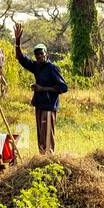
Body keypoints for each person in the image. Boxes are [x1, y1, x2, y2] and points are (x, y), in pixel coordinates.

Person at [13, 23, 68, 154]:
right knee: (40, 135)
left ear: (46, 54)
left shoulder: (52, 68)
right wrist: (17, 41)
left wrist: (42, 88)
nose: (39, 56)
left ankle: (49, 159)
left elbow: (63, 87)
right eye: (37, 55)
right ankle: (42, 158)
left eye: (41, 54)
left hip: (49, 106)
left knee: (48, 134)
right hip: (39, 105)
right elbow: (20, 58)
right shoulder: (37, 66)